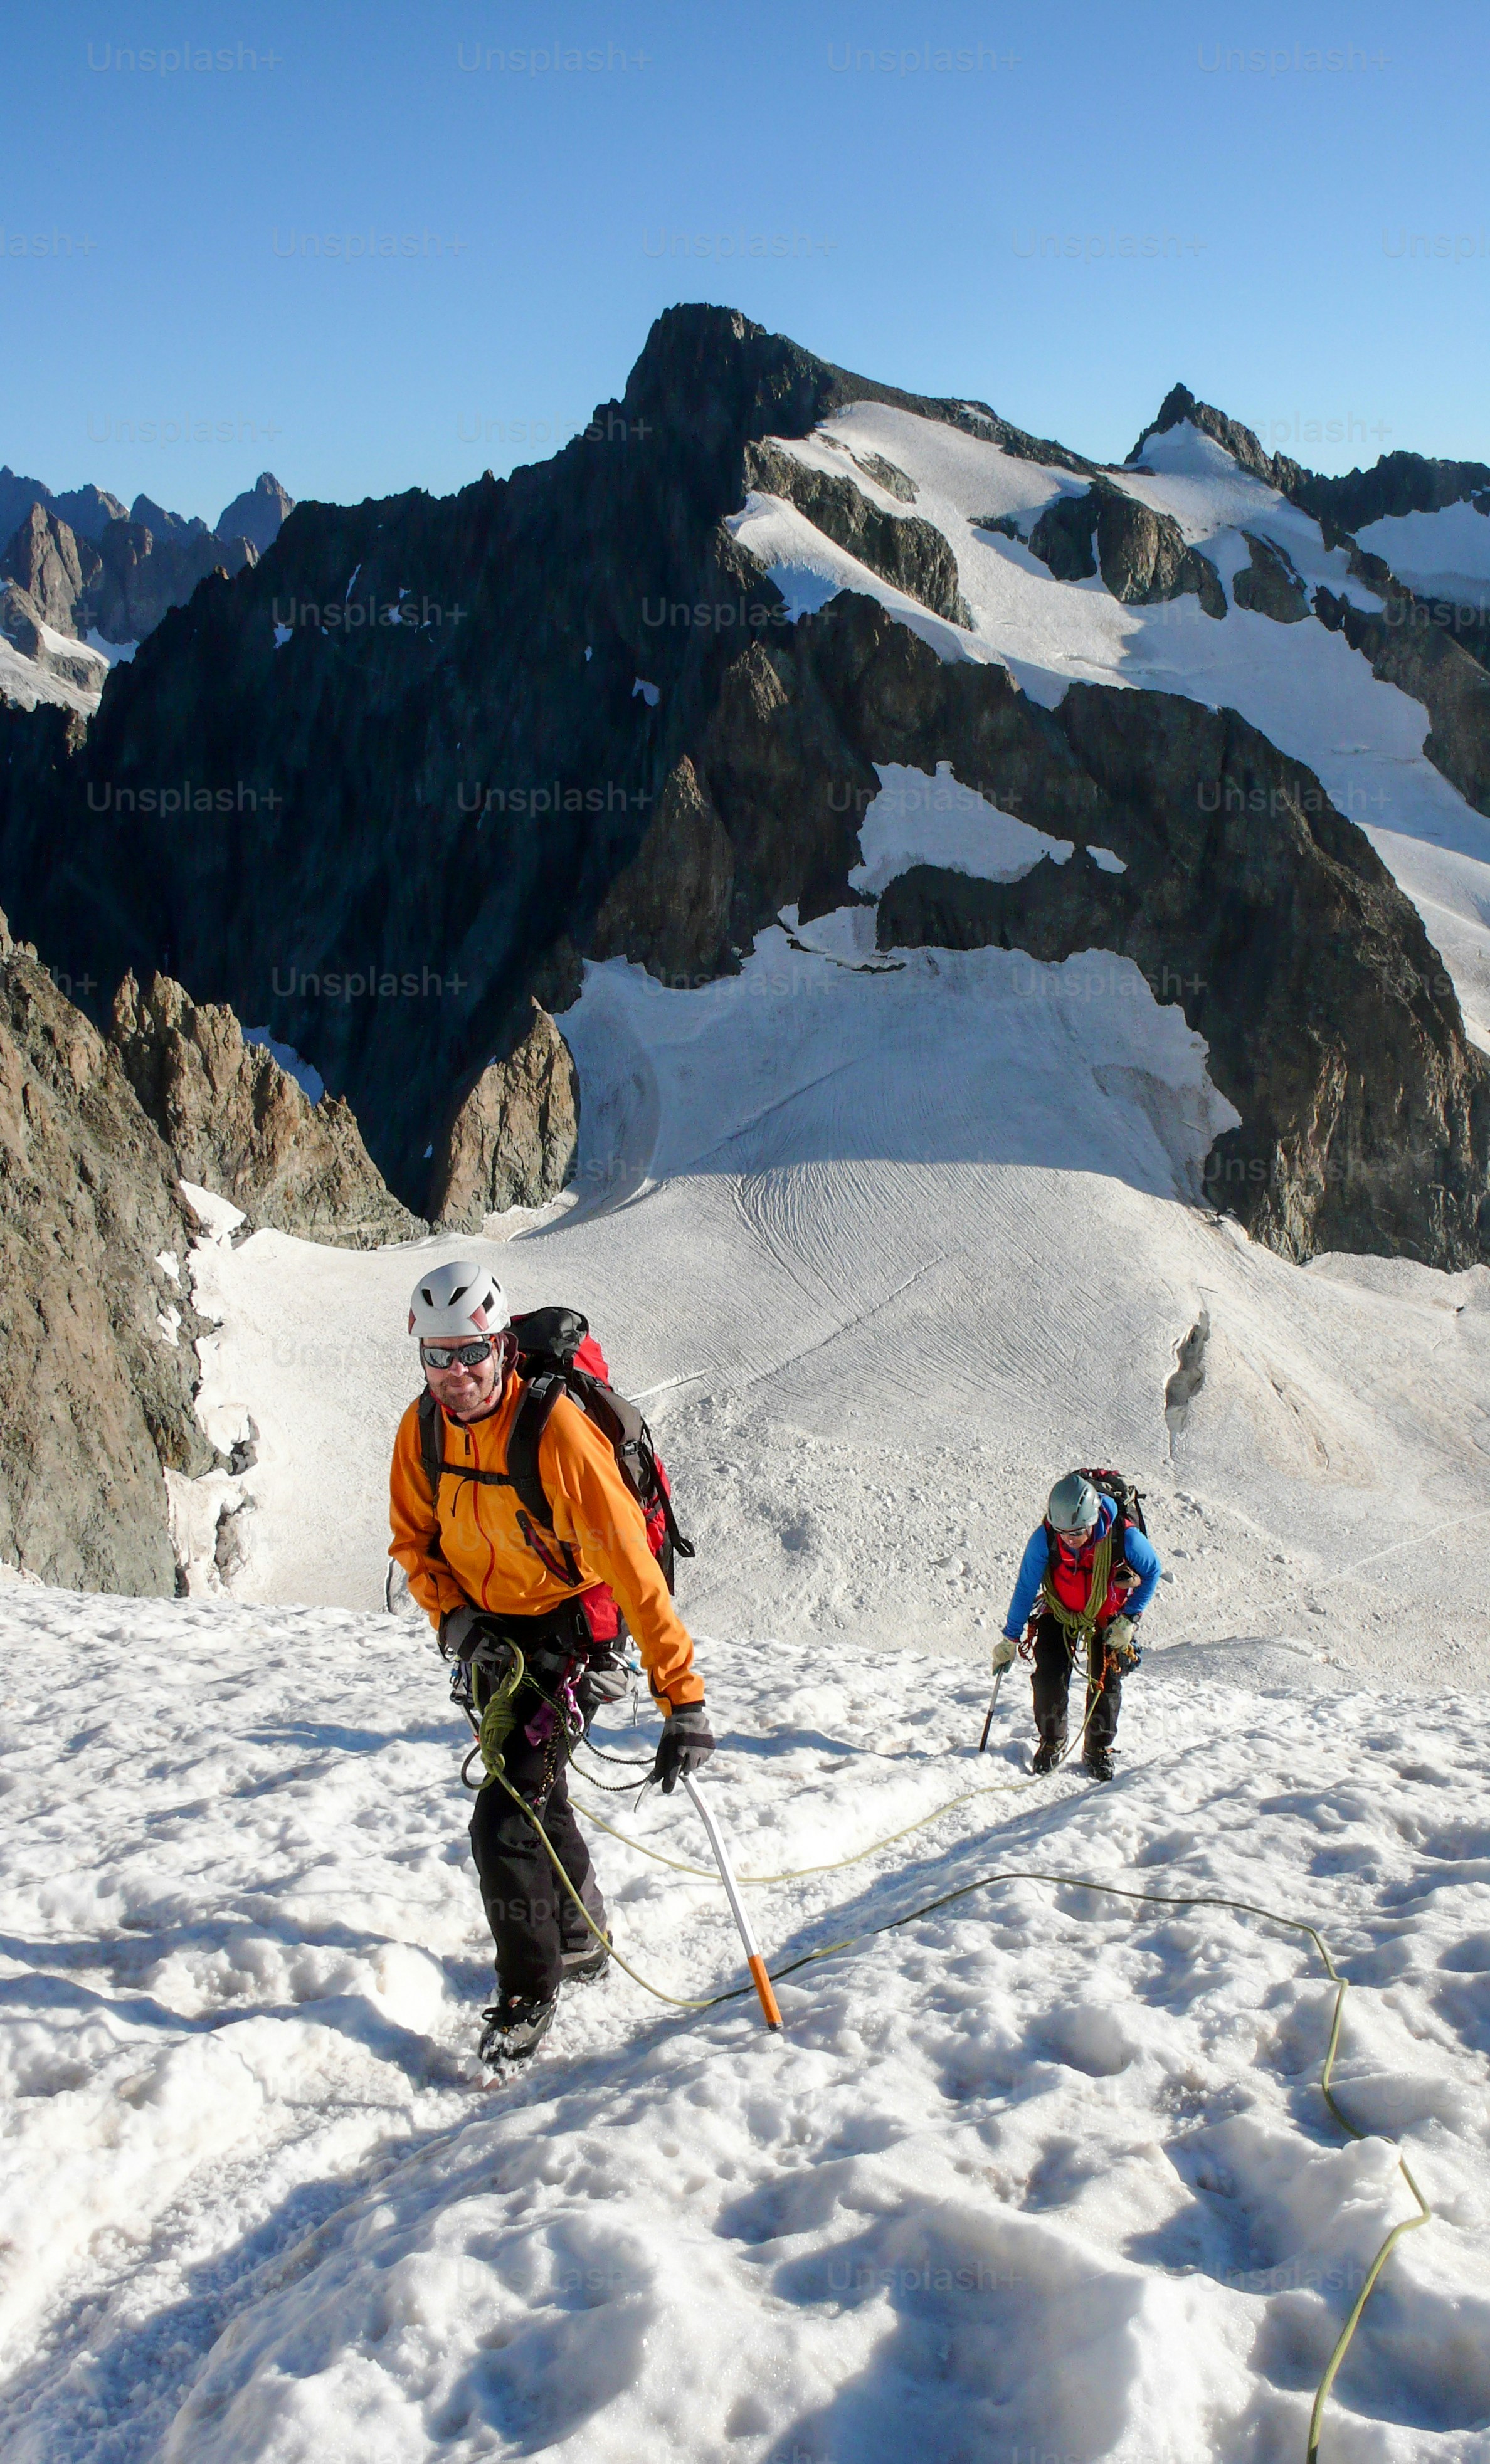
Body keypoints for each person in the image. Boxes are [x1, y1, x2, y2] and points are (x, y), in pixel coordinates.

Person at [389, 1260, 713, 2065]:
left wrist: (684, 1699)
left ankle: (527, 1991)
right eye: (438, 1356)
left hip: (572, 1636)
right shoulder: (420, 1430)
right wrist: (458, 1624)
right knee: (536, 1789)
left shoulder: (556, 1431)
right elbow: (415, 1545)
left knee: (503, 1817)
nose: (455, 1374)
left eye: (471, 1353)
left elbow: (634, 1572)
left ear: (503, 1345)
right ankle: (577, 1935)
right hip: (493, 1633)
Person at [991, 1472, 1161, 1780]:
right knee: (1048, 1678)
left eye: (1077, 1533)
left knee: (1106, 1682)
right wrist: (1009, 1639)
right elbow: (1026, 1587)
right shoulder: (1044, 1538)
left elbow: (1152, 1573)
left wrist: (1130, 1619)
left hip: (1108, 1613)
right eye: (1063, 1533)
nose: (1069, 1540)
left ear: (1094, 1519)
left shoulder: (1125, 1537)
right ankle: (1052, 1740)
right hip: (1059, 1609)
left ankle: (1098, 1749)